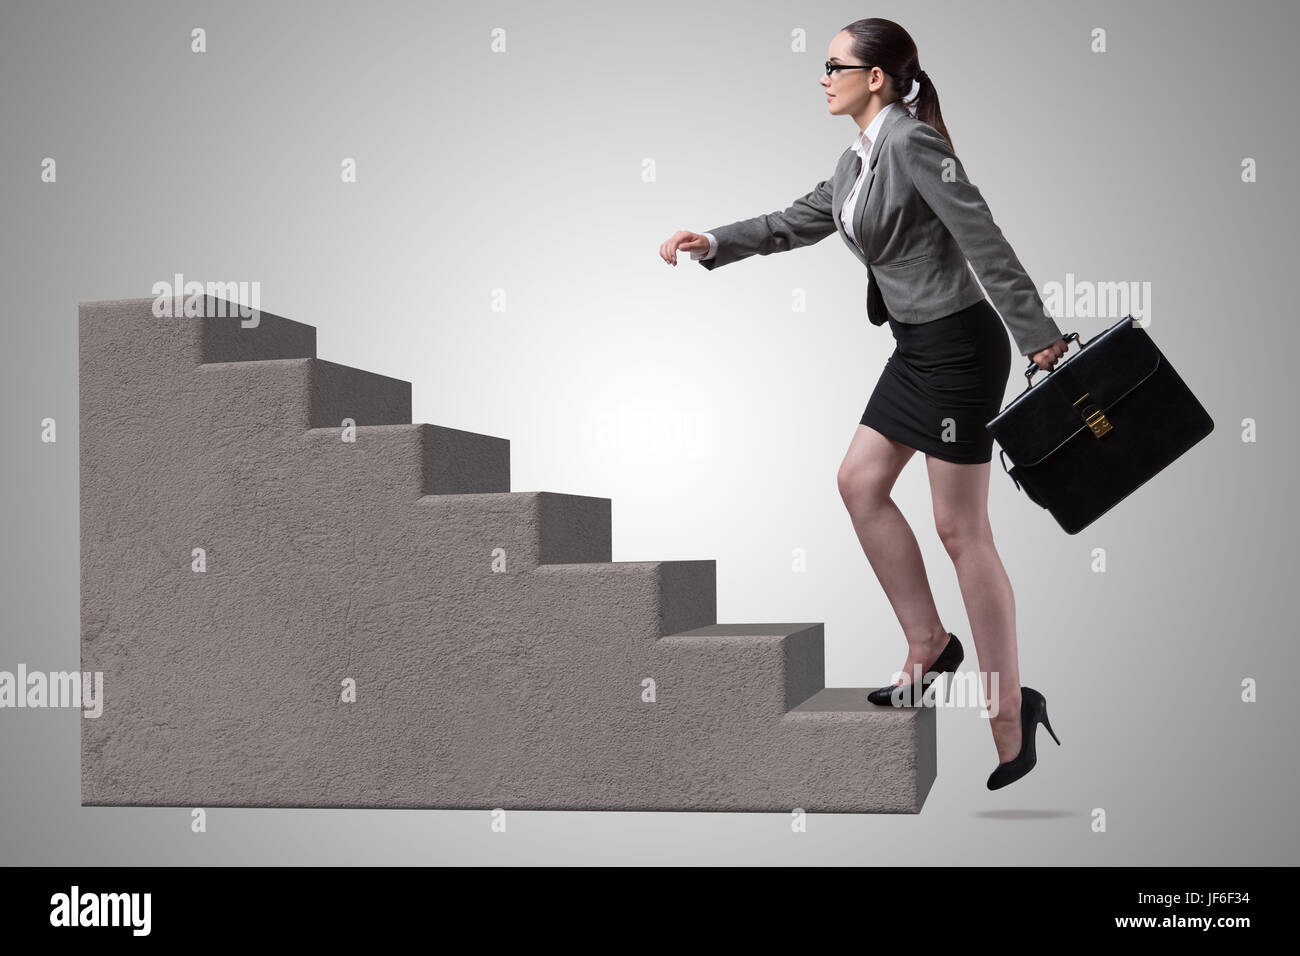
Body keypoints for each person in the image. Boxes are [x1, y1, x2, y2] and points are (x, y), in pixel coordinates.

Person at [658, 18, 1063, 790]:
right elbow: (796, 219)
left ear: (876, 77)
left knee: (960, 529)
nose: (822, 77)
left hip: (960, 349)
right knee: (859, 484)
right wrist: (712, 241)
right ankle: (929, 646)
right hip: (916, 351)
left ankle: (1009, 708)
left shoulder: (914, 144)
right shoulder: (857, 160)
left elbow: (983, 239)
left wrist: (1038, 334)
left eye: (833, 64)